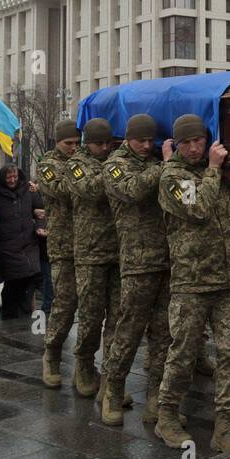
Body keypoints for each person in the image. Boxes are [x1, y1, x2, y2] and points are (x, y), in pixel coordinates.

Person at [152, 114, 230, 454]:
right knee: (182, 353)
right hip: (192, 284)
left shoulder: (221, 173)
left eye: (200, 140)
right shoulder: (172, 175)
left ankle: (225, 425)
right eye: (187, 142)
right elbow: (197, 208)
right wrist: (214, 170)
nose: (195, 148)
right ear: (177, 145)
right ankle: (167, 415)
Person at [100, 113, 173, 426]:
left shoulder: (157, 160)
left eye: (150, 140)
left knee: (163, 333)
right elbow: (132, 190)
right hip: (137, 262)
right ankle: (113, 389)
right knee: (128, 331)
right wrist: (165, 165)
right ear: (128, 138)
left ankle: (156, 394)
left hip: (167, 259)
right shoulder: (114, 164)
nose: (146, 145)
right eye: (140, 140)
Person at [65, 118, 122, 397]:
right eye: (99, 144)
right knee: (90, 317)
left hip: (118, 251)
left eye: (107, 144)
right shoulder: (76, 165)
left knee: (117, 318)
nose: (104, 148)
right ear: (88, 144)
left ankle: (112, 376)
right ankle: (84, 365)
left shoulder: (114, 161)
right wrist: (115, 168)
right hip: (90, 253)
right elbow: (91, 189)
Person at [40, 120, 80, 388]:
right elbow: (63, 189)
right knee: (64, 304)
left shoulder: (77, 161)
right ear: (58, 142)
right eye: (69, 144)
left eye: (78, 144)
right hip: (63, 246)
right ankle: (52, 354)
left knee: (89, 309)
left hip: (89, 243)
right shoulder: (47, 166)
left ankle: (85, 366)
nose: (74, 149)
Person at [0, 164, 45, 320]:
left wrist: (39, 227)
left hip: (29, 243)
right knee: (13, 284)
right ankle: (10, 318)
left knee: (31, 279)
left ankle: (25, 315)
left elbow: (40, 212)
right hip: (7, 245)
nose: (12, 180)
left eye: (15, 177)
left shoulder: (28, 191)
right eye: (8, 177)